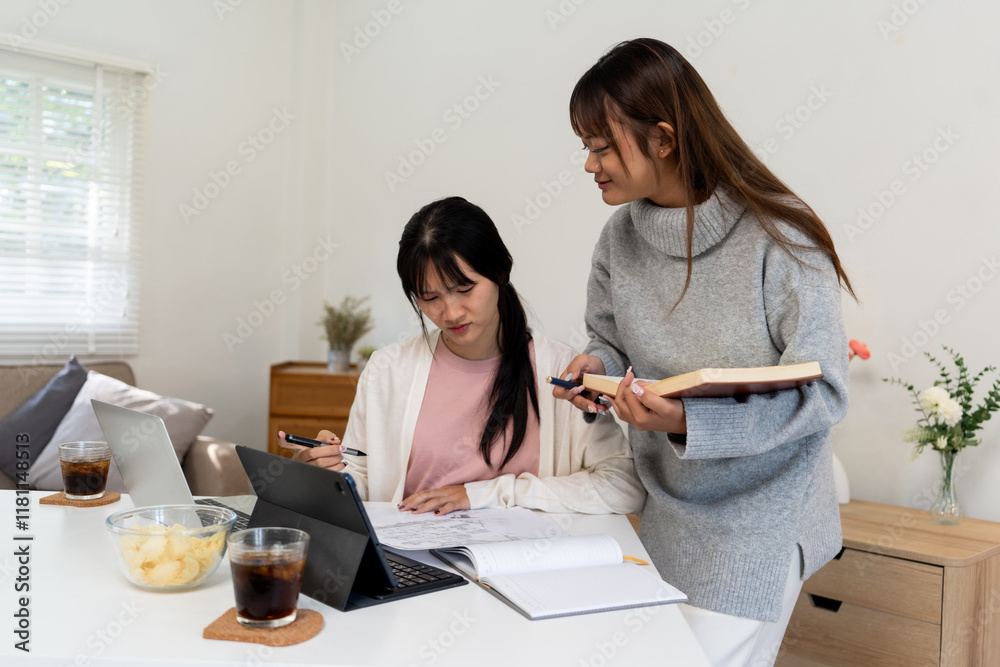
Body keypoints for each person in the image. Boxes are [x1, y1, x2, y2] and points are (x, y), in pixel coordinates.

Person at [553, 38, 852, 667]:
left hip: (763, 521)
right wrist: (596, 370)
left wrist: (690, 421)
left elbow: (824, 393)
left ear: (663, 138)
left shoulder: (781, 236)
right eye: (586, 146)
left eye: (602, 146)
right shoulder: (619, 238)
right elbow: (609, 339)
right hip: (667, 514)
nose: (590, 164)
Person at [279, 196, 646, 517]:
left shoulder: (561, 373)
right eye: (430, 297)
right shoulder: (388, 371)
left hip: (524, 573)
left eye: (464, 288)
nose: (451, 312)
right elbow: (364, 479)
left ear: (500, 271)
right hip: (416, 566)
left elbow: (624, 486)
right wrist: (327, 477)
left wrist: (486, 495)